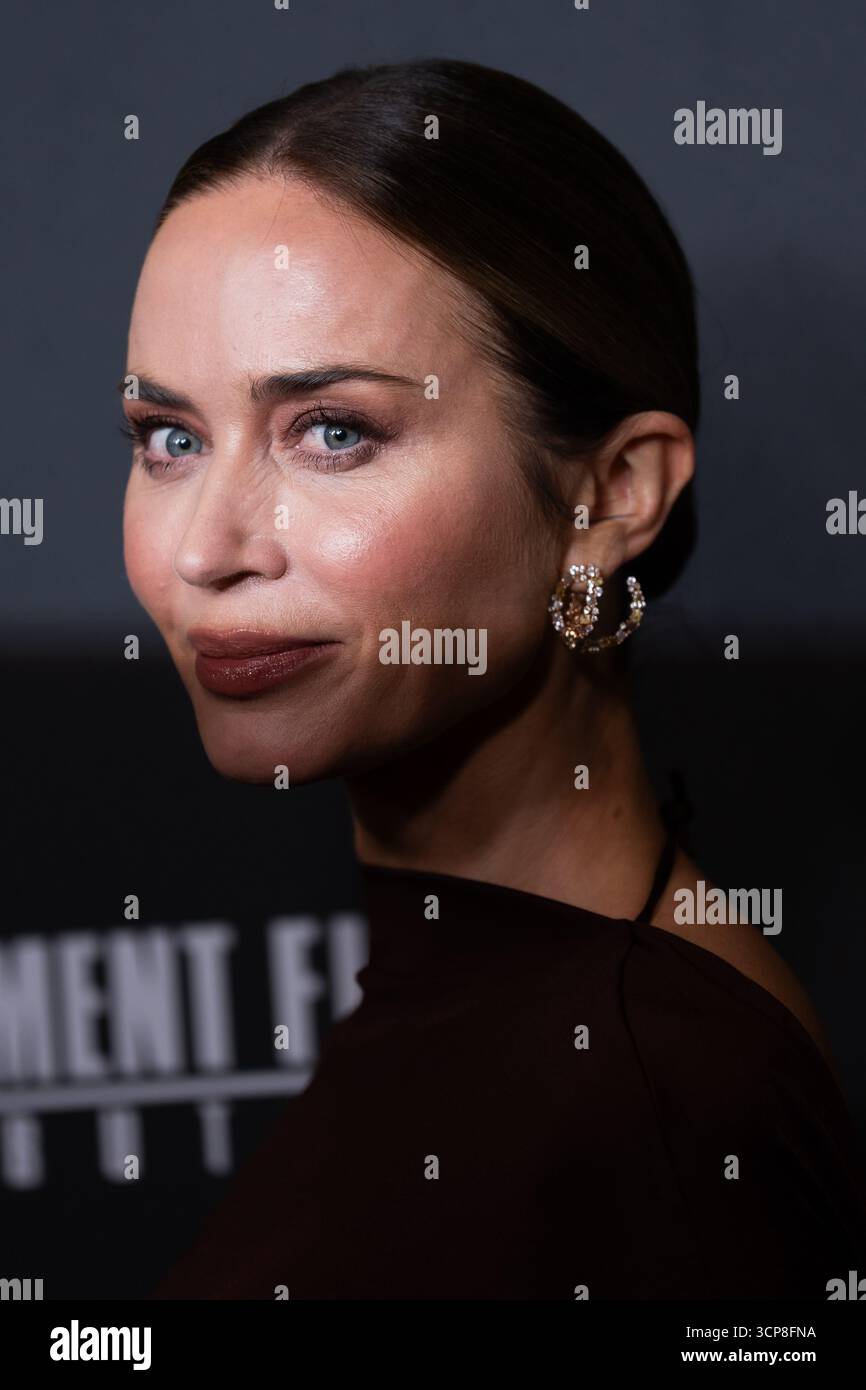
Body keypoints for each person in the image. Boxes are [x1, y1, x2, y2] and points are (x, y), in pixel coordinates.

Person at [120, 58, 866, 1298]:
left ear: (609, 493)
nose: (204, 550)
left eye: (333, 431)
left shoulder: (659, 1098)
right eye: (170, 438)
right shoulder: (500, 1000)